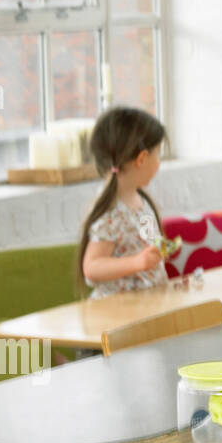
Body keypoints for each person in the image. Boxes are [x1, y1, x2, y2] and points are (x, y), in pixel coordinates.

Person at [80, 107, 170, 299]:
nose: (159, 162)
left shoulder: (140, 201)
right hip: (117, 314)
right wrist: (137, 262)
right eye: (158, 154)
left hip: (144, 308)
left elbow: (142, 240)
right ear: (142, 158)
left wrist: (159, 249)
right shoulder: (111, 212)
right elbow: (92, 267)